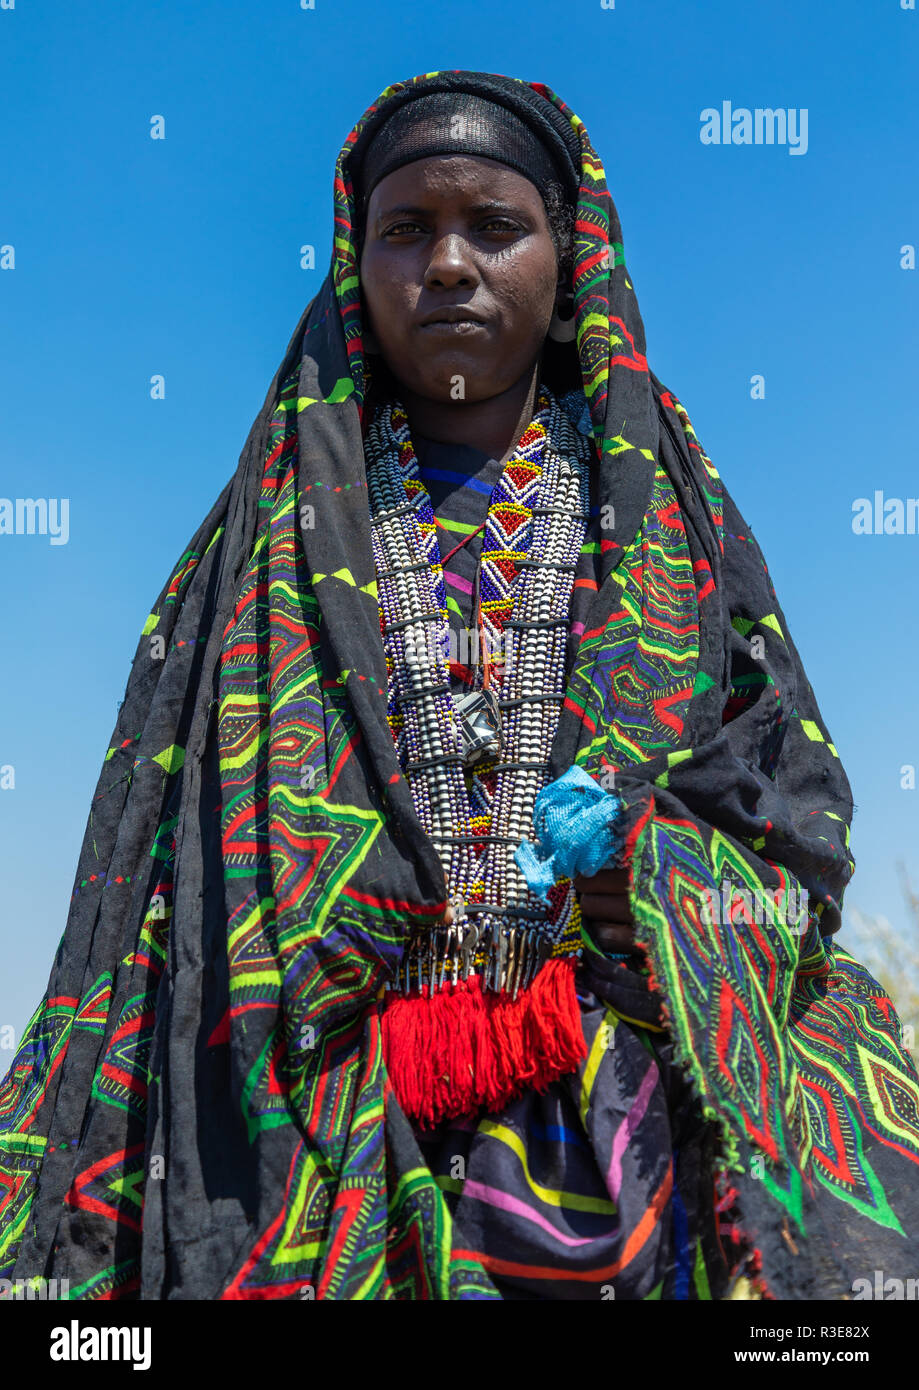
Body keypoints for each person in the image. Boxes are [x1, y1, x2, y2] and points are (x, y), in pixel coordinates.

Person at [1, 69, 917, 1302]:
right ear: (354, 263)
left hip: (632, 1092)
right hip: (321, 1134)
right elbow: (171, 882)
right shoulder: (261, 546)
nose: (446, 263)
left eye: (492, 226)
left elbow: (791, 814)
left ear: (569, 257)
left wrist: (639, 866)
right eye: (405, 229)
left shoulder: (668, 523)